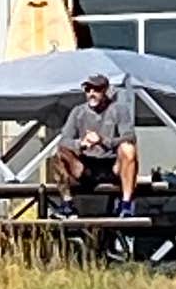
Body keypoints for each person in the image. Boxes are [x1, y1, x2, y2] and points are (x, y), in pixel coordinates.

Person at [42, 71, 139, 213]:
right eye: (88, 89)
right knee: (59, 154)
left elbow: (130, 137)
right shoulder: (78, 112)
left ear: (105, 90)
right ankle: (67, 204)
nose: (92, 93)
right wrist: (80, 144)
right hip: (86, 166)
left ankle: (126, 204)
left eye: (97, 89)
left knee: (128, 149)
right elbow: (64, 140)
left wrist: (102, 140)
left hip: (113, 165)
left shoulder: (119, 109)